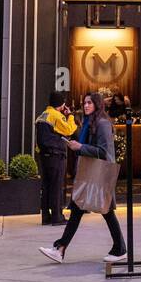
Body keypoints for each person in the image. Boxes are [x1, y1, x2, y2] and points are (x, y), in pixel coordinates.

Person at [39, 92, 128, 264]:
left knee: (105, 211)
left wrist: (80, 147)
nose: (86, 105)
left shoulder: (102, 124)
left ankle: (120, 248)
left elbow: (104, 152)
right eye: (84, 102)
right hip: (90, 173)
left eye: (89, 103)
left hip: (99, 174)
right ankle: (61, 248)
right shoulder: (90, 122)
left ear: (97, 104)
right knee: (78, 209)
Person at [34, 90, 77, 225]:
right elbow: (69, 129)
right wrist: (70, 115)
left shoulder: (43, 115)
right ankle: (57, 217)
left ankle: (46, 216)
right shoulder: (56, 116)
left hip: (43, 156)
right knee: (57, 186)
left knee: (46, 186)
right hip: (55, 155)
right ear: (61, 105)